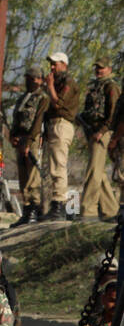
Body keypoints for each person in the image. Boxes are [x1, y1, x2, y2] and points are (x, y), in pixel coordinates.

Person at [79, 57, 120, 222]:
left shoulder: (111, 86)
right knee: (99, 172)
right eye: (97, 67)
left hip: (102, 133)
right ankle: (111, 210)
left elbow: (114, 114)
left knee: (93, 171)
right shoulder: (95, 86)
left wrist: (102, 131)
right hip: (93, 132)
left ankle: (88, 211)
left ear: (109, 69)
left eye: (102, 68)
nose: (98, 70)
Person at [42, 52, 80, 222]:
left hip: (62, 124)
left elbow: (58, 104)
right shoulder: (57, 83)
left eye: (55, 64)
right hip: (53, 125)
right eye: (51, 64)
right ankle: (55, 203)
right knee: (53, 166)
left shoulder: (68, 83)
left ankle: (59, 203)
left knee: (58, 165)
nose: (52, 67)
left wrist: (49, 87)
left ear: (64, 64)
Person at [8, 65, 49, 226]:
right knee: (23, 174)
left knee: (33, 175)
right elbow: (16, 118)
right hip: (21, 138)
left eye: (33, 79)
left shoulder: (42, 98)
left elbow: (38, 121)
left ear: (40, 80)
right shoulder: (24, 97)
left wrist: (30, 142)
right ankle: (26, 209)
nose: (30, 82)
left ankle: (33, 208)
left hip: (33, 138)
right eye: (28, 78)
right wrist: (12, 136)